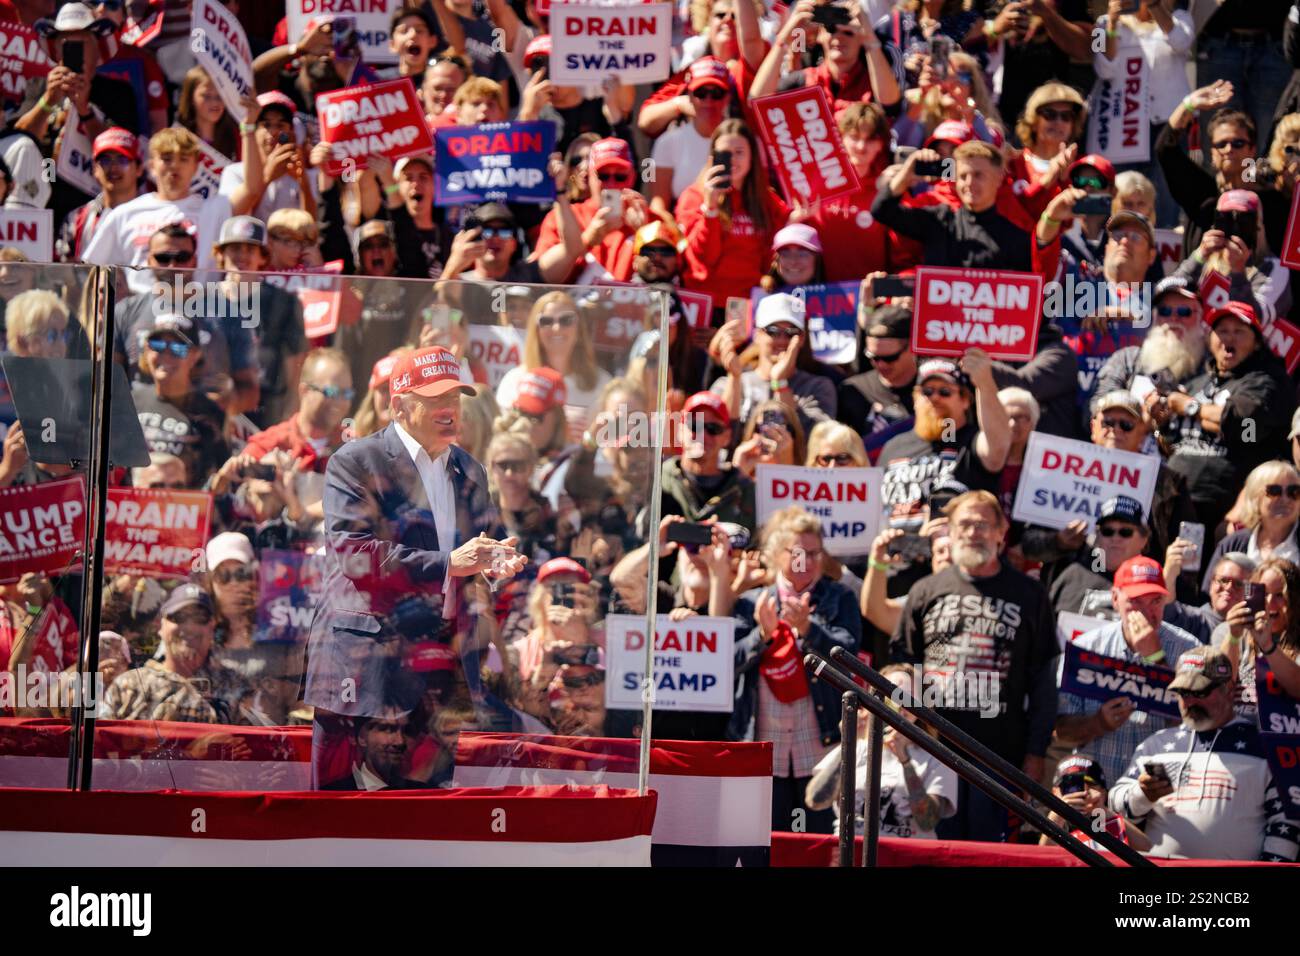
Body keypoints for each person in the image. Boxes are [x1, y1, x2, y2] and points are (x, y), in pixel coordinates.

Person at [304, 346, 528, 788]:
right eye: (435, 398)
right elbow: (354, 554)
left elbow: (475, 548)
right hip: (364, 669)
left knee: (426, 821)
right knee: (334, 820)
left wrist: (494, 559)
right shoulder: (356, 461)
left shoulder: (470, 469)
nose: (449, 409)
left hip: (439, 667)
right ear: (400, 405)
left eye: (457, 398)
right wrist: (450, 564)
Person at [893, 491, 1058, 841]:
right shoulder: (925, 590)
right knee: (934, 852)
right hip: (933, 753)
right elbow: (903, 670)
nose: (972, 532)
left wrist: (1035, 752)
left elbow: (1043, 680)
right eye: (963, 525)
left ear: (1002, 531)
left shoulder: (1030, 594)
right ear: (950, 533)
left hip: (1000, 756)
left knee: (991, 854)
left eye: (982, 524)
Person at [732, 505, 862, 833]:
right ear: (777, 553)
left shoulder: (839, 597)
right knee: (766, 842)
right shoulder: (750, 602)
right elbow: (727, 665)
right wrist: (761, 635)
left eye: (816, 553)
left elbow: (849, 656)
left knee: (816, 840)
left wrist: (808, 629)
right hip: (763, 744)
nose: (810, 561)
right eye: (800, 552)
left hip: (819, 744)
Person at [1109, 648, 1299, 861]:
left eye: (1199, 692)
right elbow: (1114, 806)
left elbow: (1287, 821)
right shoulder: (1157, 744)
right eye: (1183, 692)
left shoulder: (1265, 747)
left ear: (1228, 687)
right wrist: (1141, 795)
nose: (1190, 702)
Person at [1053, 554, 1201, 787]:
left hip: (1159, 794)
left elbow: (1197, 724)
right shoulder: (1086, 649)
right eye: (1136, 601)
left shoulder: (1189, 649)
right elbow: (1061, 731)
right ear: (1115, 598)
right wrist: (1097, 723)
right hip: (1096, 792)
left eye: (1155, 601)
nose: (1146, 612)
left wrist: (1156, 658)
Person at [1149, 301, 1295, 532]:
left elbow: (1243, 423)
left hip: (1224, 509)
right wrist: (1162, 421)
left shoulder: (1265, 381)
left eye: (1239, 331)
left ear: (1257, 343)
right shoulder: (1196, 383)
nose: (1229, 337)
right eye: (1223, 331)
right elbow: (1170, 444)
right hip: (1173, 499)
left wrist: (1191, 408)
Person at [806, 662, 959, 839]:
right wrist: (850, 742)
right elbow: (815, 801)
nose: (899, 705)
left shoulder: (935, 757)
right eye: (890, 696)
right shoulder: (859, 746)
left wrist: (905, 761)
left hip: (906, 855)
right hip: (850, 853)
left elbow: (928, 822)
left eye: (909, 697)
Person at [82, 127, 232, 294]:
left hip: (199, 311)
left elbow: (253, 187)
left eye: (183, 159)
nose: (175, 166)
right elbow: (91, 271)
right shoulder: (123, 214)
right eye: (167, 159)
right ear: (152, 165)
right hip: (139, 313)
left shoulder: (216, 208)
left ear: (196, 166)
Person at [878, 354, 1010, 533]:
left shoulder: (973, 441)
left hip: (957, 553)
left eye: (945, 392)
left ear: (964, 400)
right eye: (927, 391)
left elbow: (998, 445)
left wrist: (984, 383)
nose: (935, 398)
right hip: (897, 555)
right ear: (915, 398)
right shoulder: (893, 447)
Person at [1092, 0, 1193, 229]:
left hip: (1166, 128)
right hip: (1122, 130)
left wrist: (1155, 6)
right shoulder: (1099, 26)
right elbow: (1101, 67)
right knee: (1122, 197)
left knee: (1166, 200)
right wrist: (1112, 23)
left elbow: (1182, 42)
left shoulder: (1180, 19)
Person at [1158, 86, 1291, 258]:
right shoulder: (1202, 196)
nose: (1229, 149)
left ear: (1252, 150)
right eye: (1221, 144)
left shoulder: (1274, 201)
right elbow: (1165, 150)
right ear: (1212, 153)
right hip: (1206, 282)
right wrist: (1189, 105)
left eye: (1238, 143)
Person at [676, 119, 789, 304]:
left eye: (739, 152)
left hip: (749, 301)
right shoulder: (693, 196)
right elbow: (703, 258)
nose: (733, 160)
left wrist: (794, 219)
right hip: (705, 301)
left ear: (752, 156)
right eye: (725, 154)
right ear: (713, 157)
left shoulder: (767, 199)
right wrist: (710, 209)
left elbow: (773, 254)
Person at [100, 584, 248, 724]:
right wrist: (89, 682)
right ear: (160, 625)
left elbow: (252, 745)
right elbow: (97, 738)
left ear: (212, 626)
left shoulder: (236, 686)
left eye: (199, 618)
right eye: (179, 617)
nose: (189, 627)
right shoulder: (128, 685)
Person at [713, 293, 836, 437]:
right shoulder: (727, 383)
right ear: (757, 335)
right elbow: (718, 438)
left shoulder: (818, 387)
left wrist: (780, 384)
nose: (782, 340)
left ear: (802, 338)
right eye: (773, 331)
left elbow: (814, 439)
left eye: (791, 332)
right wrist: (734, 378)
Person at [751, 0, 902, 114]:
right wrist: (785, 37)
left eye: (848, 32)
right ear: (820, 36)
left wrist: (869, 37)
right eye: (831, 29)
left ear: (861, 38)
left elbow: (890, 104)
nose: (838, 38)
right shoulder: (806, 78)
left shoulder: (874, 81)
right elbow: (755, 100)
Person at [240, 347, 353, 475]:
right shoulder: (269, 445)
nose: (340, 401)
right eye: (332, 392)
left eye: (347, 394)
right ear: (305, 391)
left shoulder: (355, 448)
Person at [648, 56, 733, 220]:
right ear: (690, 96)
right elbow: (658, 205)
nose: (708, 100)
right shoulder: (666, 143)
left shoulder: (746, 140)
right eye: (701, 93)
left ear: (727, 97)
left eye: (716, 93)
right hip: (684, 231)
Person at [660, 390, 756, 533]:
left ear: (727, 437)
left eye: (713, 428)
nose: (703, 435)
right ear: (680, 430)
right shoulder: (659, 479)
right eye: (694, 425)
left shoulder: (745, 491)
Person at [1217, 557, 1300, 720]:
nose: (1270, 603)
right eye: (1265, 593)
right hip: (1239, 732)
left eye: (1279, 596)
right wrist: (1233, 636)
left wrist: (1268, 646)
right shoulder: (1232, 631)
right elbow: (1221, 686)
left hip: (1284, 735)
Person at [1200, 462, 1300, 593]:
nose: (1285, 499)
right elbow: (1210, 596)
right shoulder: (1233, 543)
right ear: (1255, 497)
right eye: (1274, 491)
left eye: (1294, 492)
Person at [222, 91, 317, 222]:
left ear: (291, 131)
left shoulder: (303, 173)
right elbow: (233, 217)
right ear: (254, 130)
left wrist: (304, 184)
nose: (273, 132)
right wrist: (267, 177)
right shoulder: (235, 172)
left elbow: (311, 225)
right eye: (266, 125)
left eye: (280, 125)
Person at [837, 306, 917, 460]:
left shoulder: (933, 391)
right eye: (873, 357)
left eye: (889, 358)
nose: (880, 365)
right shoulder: (852, 391)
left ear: (912, 347)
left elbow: (951, 437)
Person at [58, 127, 142, 262]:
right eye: (105, 161)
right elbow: (65, 271)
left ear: (139, 169)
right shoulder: (77, 218)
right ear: (94, 169)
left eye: (123, 160)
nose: (114, 168)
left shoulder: (154, 215)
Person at [1037, 755, 1152, 852]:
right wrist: (1058, 814)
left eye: (1090, 785)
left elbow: (1146, 849)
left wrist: (1102, 809)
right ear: (1055, 792)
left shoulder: (1108, 817)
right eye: (1071, 786)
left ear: (1103, 791)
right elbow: (1040, 858)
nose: (1082, 792)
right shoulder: (1039, 816)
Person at [320, 707, 434, 790]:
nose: (400, 741)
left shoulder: (423, 794)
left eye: (407, 731)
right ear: (361, 737)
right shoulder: (333, 796)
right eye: (387, 729)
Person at [1162, 551, 1254, 643]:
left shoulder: (1255, 629)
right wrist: (1170, 573)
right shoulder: (1194, 620)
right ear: (1211, 583)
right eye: (1223, 580)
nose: (1229, 587)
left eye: (1238, 584)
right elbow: (1165, 609)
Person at [176, 66, 240, 161]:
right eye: (206, 96)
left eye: (220, 96)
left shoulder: (237, 136)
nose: (215, 103)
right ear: (190, 97)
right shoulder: (175, 139)